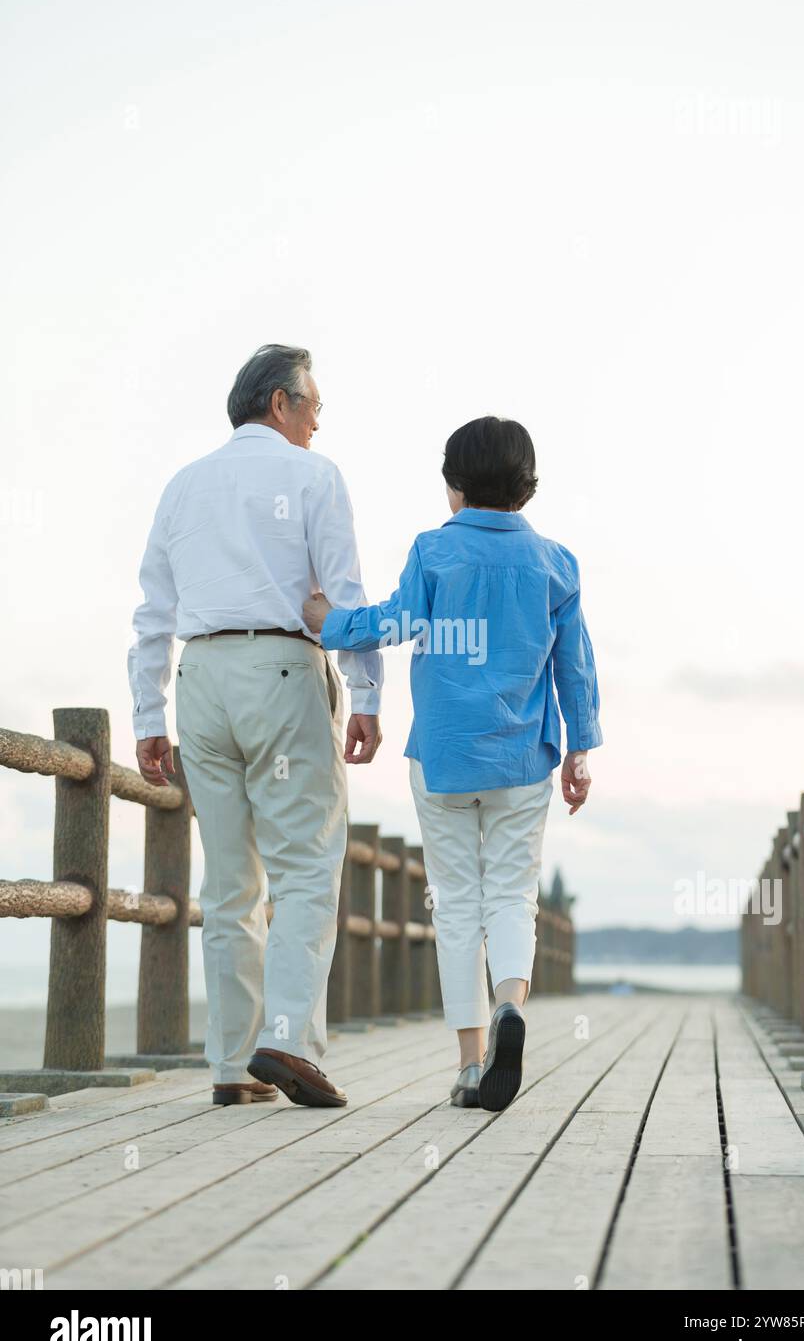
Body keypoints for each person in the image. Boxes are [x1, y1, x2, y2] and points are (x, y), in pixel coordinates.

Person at [302, 415, 601, 1112]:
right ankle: (511, 1007)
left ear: (454, 486)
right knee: (513, 896)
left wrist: (329, 621)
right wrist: (579, 749)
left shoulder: (435, 551)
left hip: (442, 757)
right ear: (526, 486)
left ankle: (471, 1064)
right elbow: (575, 666)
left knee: (457, 903)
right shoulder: (556, 563)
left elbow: (396, 623)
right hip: (525, 757)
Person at [128, 344, 383, 1109]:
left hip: (199, 680)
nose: (316, 424)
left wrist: (148, 712)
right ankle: (287, 1038)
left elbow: (151, 613)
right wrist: (366, 692)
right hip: (281, 673)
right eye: (313, 407)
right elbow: (344, 596)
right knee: (306, 868)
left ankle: (234, 1068)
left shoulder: (183, 486)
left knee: (231, 881)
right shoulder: (314, 476)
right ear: (281, 404)